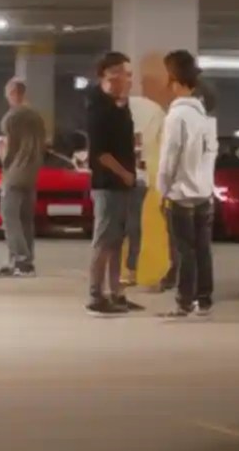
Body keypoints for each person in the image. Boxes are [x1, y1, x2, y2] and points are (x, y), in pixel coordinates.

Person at [155, 51, 217, 318]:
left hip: (181, 193)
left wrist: (163, 188)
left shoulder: (176, 116)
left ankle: (184, 302)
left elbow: (170, 157)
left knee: (184, 250)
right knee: (202, 249)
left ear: (174, 80)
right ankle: (204, 300)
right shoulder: (206, 118)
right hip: (204, 193)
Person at [84, 52, 144, 316]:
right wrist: (124, 173)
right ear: (107, 75)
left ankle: (116, 293)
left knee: (117, 240)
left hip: (123, 183)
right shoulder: (98, 106)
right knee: (104, 240)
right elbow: (100, 152)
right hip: (108, 184)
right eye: (121, 72)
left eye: (128, 73)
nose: (126, 78)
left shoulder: (120, 105)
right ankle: (96, 296)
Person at [0, 77, 47, 276]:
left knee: (9, 218)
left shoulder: (11, 117)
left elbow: (9, 149)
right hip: (32, 173)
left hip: (14, 173)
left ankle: (21, 261)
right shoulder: (38, 117)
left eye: (8, 94)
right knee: (25, 219)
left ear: (14, 93)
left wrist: (2, 156)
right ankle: (21, 261)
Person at [121, 89, 165, 287]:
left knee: (123, 226)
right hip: (140, 180)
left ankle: (125, 268)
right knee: (132, 226)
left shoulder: (124, 116)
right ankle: (130, 268)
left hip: (128, 181)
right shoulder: (153, 114)